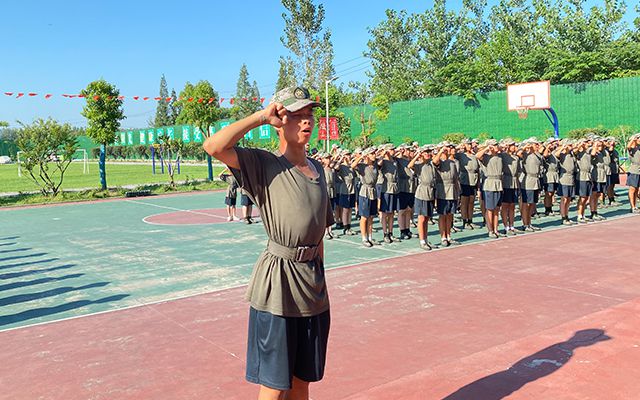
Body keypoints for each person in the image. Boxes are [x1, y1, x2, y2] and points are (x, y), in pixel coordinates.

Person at [203, 86, 332, 400]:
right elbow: (213, 146)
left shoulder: (319, 170)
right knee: (275, 386)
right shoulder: (264, 166)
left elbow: (319, 235)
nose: (306, 122)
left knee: (303, 382)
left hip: (313, 290)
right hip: (278, 289)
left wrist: (322, 278)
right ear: (281, 121)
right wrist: (261, 117)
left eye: (309, 115)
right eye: (297, 116)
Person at [432, 142, 461, 246]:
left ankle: (448, 235)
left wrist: (458, 193)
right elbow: (435, 161)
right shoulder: (439, 160)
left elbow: (456, 178)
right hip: (442, 191)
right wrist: (440, 151)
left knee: (450, 215)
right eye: (448, 147)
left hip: (452, 190)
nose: (449, 149)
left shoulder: (452, 162)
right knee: (442, 215)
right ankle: (443, 237)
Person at [409, 145, 437, 250]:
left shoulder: (431, 164)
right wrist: (418, 155)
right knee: (421, 218)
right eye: (426, 152)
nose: (428, 154)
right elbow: (409, 165)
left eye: (429, 152)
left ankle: (425, 239)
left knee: (427, 218)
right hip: (421, 193)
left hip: (430, 192)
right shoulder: (418, 165)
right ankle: (422, 241)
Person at [352, 148, 379, 247]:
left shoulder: (375, 164)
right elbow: (352, 166)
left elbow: (382, 159)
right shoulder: (362, 166)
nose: (374, 155)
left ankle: (370, 237)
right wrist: (361, 157)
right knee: (364, 216)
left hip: (373, 191)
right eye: (372, 153)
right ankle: (364, 238)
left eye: (374, 153)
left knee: (371, 216)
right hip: (365, 192)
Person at [477, 139, 503, 239]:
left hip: (498, 183)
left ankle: (496, 229)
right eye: (495, 145)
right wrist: (487, 148)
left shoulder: (499, 157)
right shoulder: (486, 157)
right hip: (490, 184)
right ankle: (490, 230)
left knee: (497, 209)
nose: (497, 146)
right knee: (490, 209)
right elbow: (478, 156)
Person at [519, 138, 544, 232]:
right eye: (535, 144)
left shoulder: (537, 154)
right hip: (528, 180)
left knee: (532, 204)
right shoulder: (526, 154)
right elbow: (519, 154)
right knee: (526, 204)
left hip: (535, 180)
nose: (537, 145)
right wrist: (526, 147)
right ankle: (525, 224)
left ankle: (529, 223)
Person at [455, 139, 481, 230]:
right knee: (464, 201)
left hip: (473, 179)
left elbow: (478, 169)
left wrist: (478, 183)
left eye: (470, 144)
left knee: (471, 201)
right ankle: (464, 221)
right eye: (468, 144)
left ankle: (470, 220)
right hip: (465, 180)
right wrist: (459, 146)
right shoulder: (461, 155)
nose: (470, 146)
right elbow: (452, 153)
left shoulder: (474, 156)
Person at [378, 143, 401, 243]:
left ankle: (391, 233)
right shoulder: (383, 161)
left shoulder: (395, 161)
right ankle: (385, 233)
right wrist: (383, 154)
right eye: (391, 149)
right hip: (385, 188)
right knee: (385, 213)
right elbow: (378, 164)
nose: (394, 151)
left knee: (391, 213)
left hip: (394, 188)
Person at [499, 139, 521, 235]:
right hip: (506, 182)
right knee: (505, 205)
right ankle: (506, 226)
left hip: (514, 182)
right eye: (512, 145)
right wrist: (504, 147)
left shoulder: (516, 157)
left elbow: (518, 171)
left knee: (512, 205)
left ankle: (512, 225)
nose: (514, 147)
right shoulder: (503, 156)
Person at [335, 149, 357, 236]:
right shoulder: (342, 166)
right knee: (345, 209)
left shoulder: (351, 166)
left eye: (349, 154)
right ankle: (345, 227)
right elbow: (336, 167)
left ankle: (349, 226)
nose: (348, 156)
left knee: (350, 209)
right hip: (345, 189)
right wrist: (341, 159)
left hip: (352, 189)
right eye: (347, 155)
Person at [555, 139, 577, 225]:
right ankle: (563, 217)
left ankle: (567, 215)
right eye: (570, 145)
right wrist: (563, 147)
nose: (572, 147)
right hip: (564, 179)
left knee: (568, 199)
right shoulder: (562, 154)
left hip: (571, 179)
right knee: (564, 198)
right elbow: (556, 155)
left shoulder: (572, 154)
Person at [575, 139, 594, 223]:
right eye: (586, 142)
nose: (587, 143)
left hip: (588, 176)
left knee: (586, 197)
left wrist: (593, 144)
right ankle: (579, 215)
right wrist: (580, 144)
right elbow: (575, 151)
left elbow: (593, 152)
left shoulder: (588, 152)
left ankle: (583, 214)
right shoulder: (579, 153)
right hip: (582, 177)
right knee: (582, 197)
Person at [589, 138, 607, 221]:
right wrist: (595, 145)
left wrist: (602, 144)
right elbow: (592, 154)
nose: (600, 146)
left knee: (598, 194)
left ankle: (595, 211)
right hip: (595, 174)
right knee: (594, 194)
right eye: (598, 145)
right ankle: (592, 212)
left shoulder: (601, 152)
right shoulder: (592, 150)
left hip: (602, 175)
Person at [626, 133, 640, 213]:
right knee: (633, 189)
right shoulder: (633, 148)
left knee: (637, 189)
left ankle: (635, 205)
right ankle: (633, 206)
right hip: (634, 170)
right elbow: (628, 146)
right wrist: (633, 139)